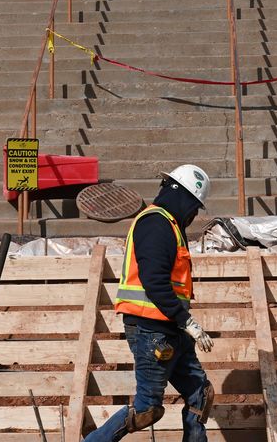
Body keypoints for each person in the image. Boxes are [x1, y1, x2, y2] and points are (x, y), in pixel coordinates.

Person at [83, 164, 214, 441]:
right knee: (147, 410)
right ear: (182, 198)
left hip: (170, 329)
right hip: (152, 332)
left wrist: (181, 322)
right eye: (194, 207)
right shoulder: (155, 224)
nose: (193, 215)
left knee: (200, 394)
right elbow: (154, 282)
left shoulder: (169, 225)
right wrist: (186, 320)